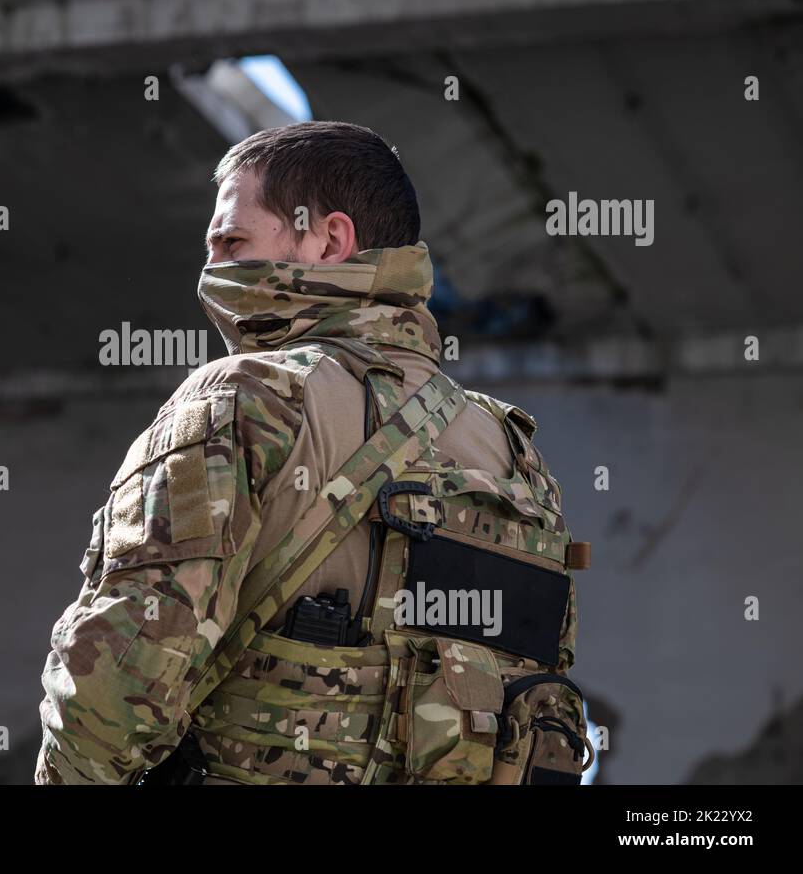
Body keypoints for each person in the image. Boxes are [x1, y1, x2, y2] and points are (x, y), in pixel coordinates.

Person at [35, 121, 589, 786]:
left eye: (232, 240)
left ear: (329, 239)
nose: (211, 267)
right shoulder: (513, 452)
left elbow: (120, 677)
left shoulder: (246, 398)